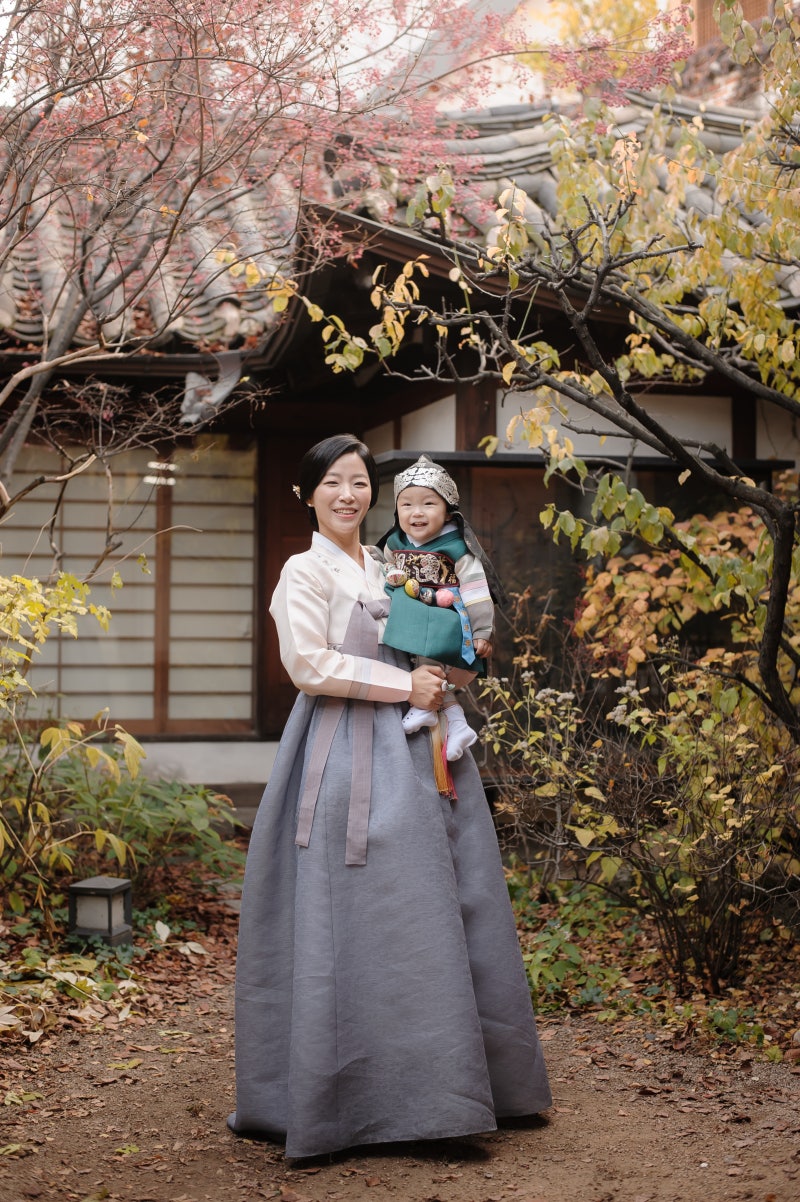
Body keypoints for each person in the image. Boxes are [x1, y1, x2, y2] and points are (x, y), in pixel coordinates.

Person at [228, 434, 551, 1161]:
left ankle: (458, 1092)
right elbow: (309, 665)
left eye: (359, 483)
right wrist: (406, 684)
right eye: (333, 482)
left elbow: (443, 636)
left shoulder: (398, 556)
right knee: (360, 914)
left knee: (445, 907)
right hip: (344, 751)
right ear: (307, 494)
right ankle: (352, 1100)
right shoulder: (300, 571)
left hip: (424, 746)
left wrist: (462, 657)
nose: (349, 495)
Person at [378, 454, 496, 763]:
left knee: (431, 649)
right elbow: (384, 566)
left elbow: (475, 589)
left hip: (445, 615)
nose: (417, 512)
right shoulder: (394, 542)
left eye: (428, 504)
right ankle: (456, 724)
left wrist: (482, 630)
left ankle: (425, 707)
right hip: (411, 616)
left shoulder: (457, 547)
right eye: (407, 505)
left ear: (447, 512)